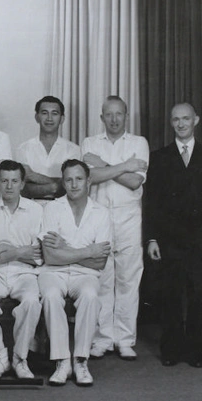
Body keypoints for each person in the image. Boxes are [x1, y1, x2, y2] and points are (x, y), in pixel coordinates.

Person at [145, 103, 202, 368]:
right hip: (169, 239)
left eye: (186, 119)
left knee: (196, 296)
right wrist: (152, 238)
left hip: (200, 239)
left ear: (196, 120)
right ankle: (170, 350)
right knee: (170, 296)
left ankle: (194, 353)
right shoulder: (159, 157)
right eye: (176, 119)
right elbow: (152, 202)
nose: (181, 124)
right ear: (171, 123)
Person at [81, 95, 149, 361]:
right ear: (101, 117)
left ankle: (124, 339)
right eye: (108, 114)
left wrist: (104, 166)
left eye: (119, 114)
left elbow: (135, 182)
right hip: (98, 218)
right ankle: (102, 338)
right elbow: (90, 178)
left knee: (128, 279)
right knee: (102, 278)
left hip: (129, 217)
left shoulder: (138, 143)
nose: (114, 119)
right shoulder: (89, 144)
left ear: (126, 115)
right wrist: (122, 166)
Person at [39, 160, 112, 386]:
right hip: (53, 272)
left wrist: (65, 248)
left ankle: (81, 360)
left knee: (90, 296)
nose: (74, 184)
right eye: (69, 180)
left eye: (79, 179)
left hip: (85, 274)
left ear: (89, 181)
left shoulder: (101, 213)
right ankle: (62, 361)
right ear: (63, 182)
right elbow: (50, 257)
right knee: (50, 296)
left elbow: (99, 262)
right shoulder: (51, 208)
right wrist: (88, 250)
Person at [0, 160, 43, 379]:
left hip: (25, 272)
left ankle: (20, 358)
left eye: (14, 181)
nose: (9, 186)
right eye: (4, 181)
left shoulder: (36, 210)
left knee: (32, 301)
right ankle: (0, 356)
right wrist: (18, 250)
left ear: (23, 184)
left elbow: (36, 254)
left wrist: (5, 250)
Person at [16, 96, 81, 202]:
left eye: (54, 113)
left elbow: (70, 187)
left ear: (62, 119)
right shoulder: (23, 149)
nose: (49, 118)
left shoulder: (73, 150)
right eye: (44, 113)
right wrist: (56, 184)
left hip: (62, 208)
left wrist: (33, 176)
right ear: (37, 117)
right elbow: (23, 189)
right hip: (30, 208)